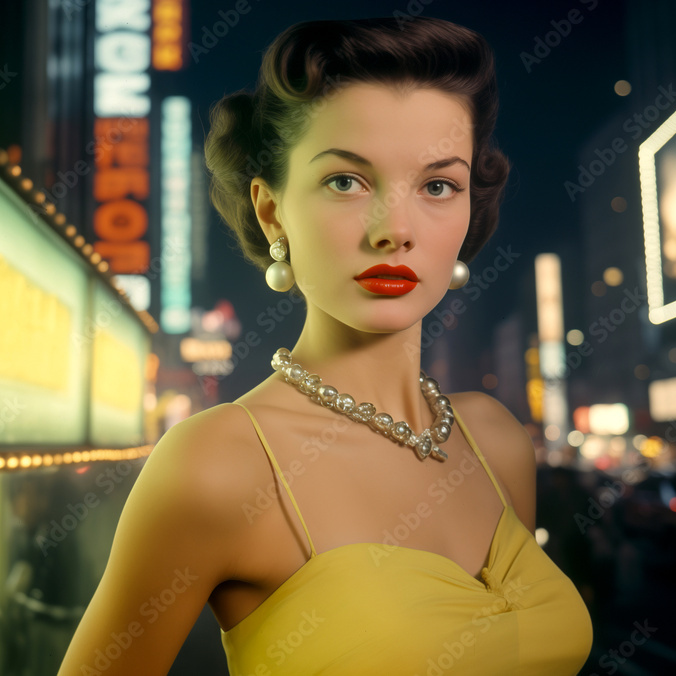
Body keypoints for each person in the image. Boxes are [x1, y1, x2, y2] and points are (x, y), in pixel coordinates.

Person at [59, 16, 592, 676]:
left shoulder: (495, 440)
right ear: (271, 210)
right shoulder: (216, 464)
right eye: (347, 181)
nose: (393, 229)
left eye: (436, 186)